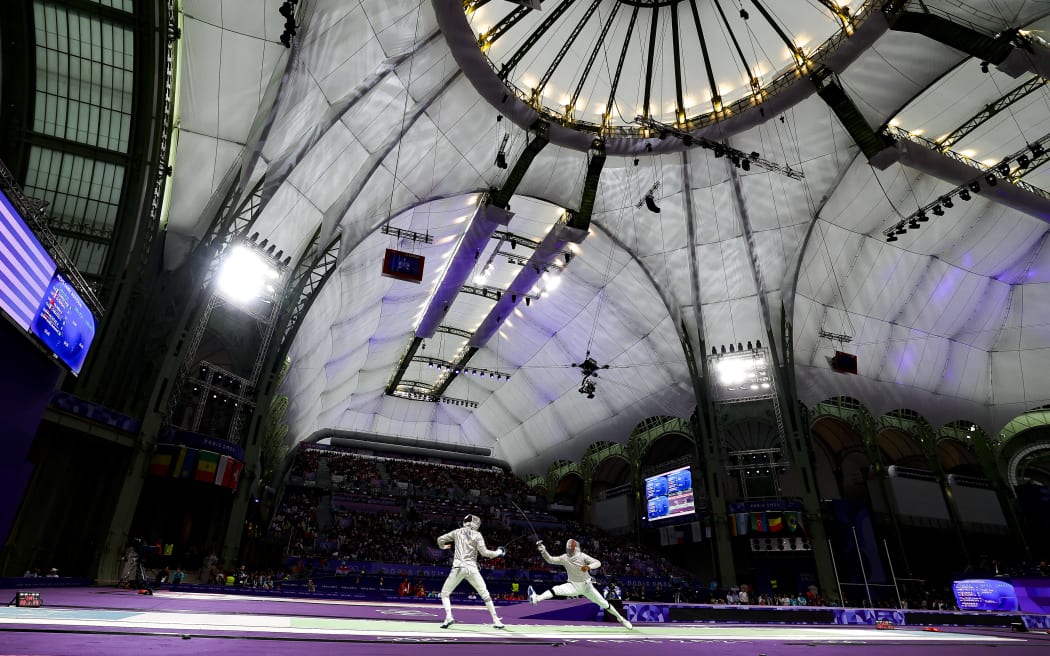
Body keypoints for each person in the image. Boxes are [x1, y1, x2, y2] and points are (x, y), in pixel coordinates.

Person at [528, 538, 633, 629]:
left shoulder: (582, 556)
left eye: (572, 547)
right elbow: (550, 560)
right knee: (556, 589)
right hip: (573, 586)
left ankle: (621, 619)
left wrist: (589, 567)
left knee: (605, 604)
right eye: (569, 547)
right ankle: (537, 599)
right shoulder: (564, 557)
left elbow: (598, 562)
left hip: (587, 587)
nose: (570, 549)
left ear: (575, 548)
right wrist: (543, 551)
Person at [436, 514, 506, 629]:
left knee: (444, 593)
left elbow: (440, 539)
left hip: (459, 568)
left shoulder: (457, 532)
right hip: (472, 568)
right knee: (485, 594)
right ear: (474, 523)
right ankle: (496, 620)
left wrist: (443, 547)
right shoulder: (477, 535)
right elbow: (485, 553)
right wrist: (499, 552)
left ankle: (449, 616)